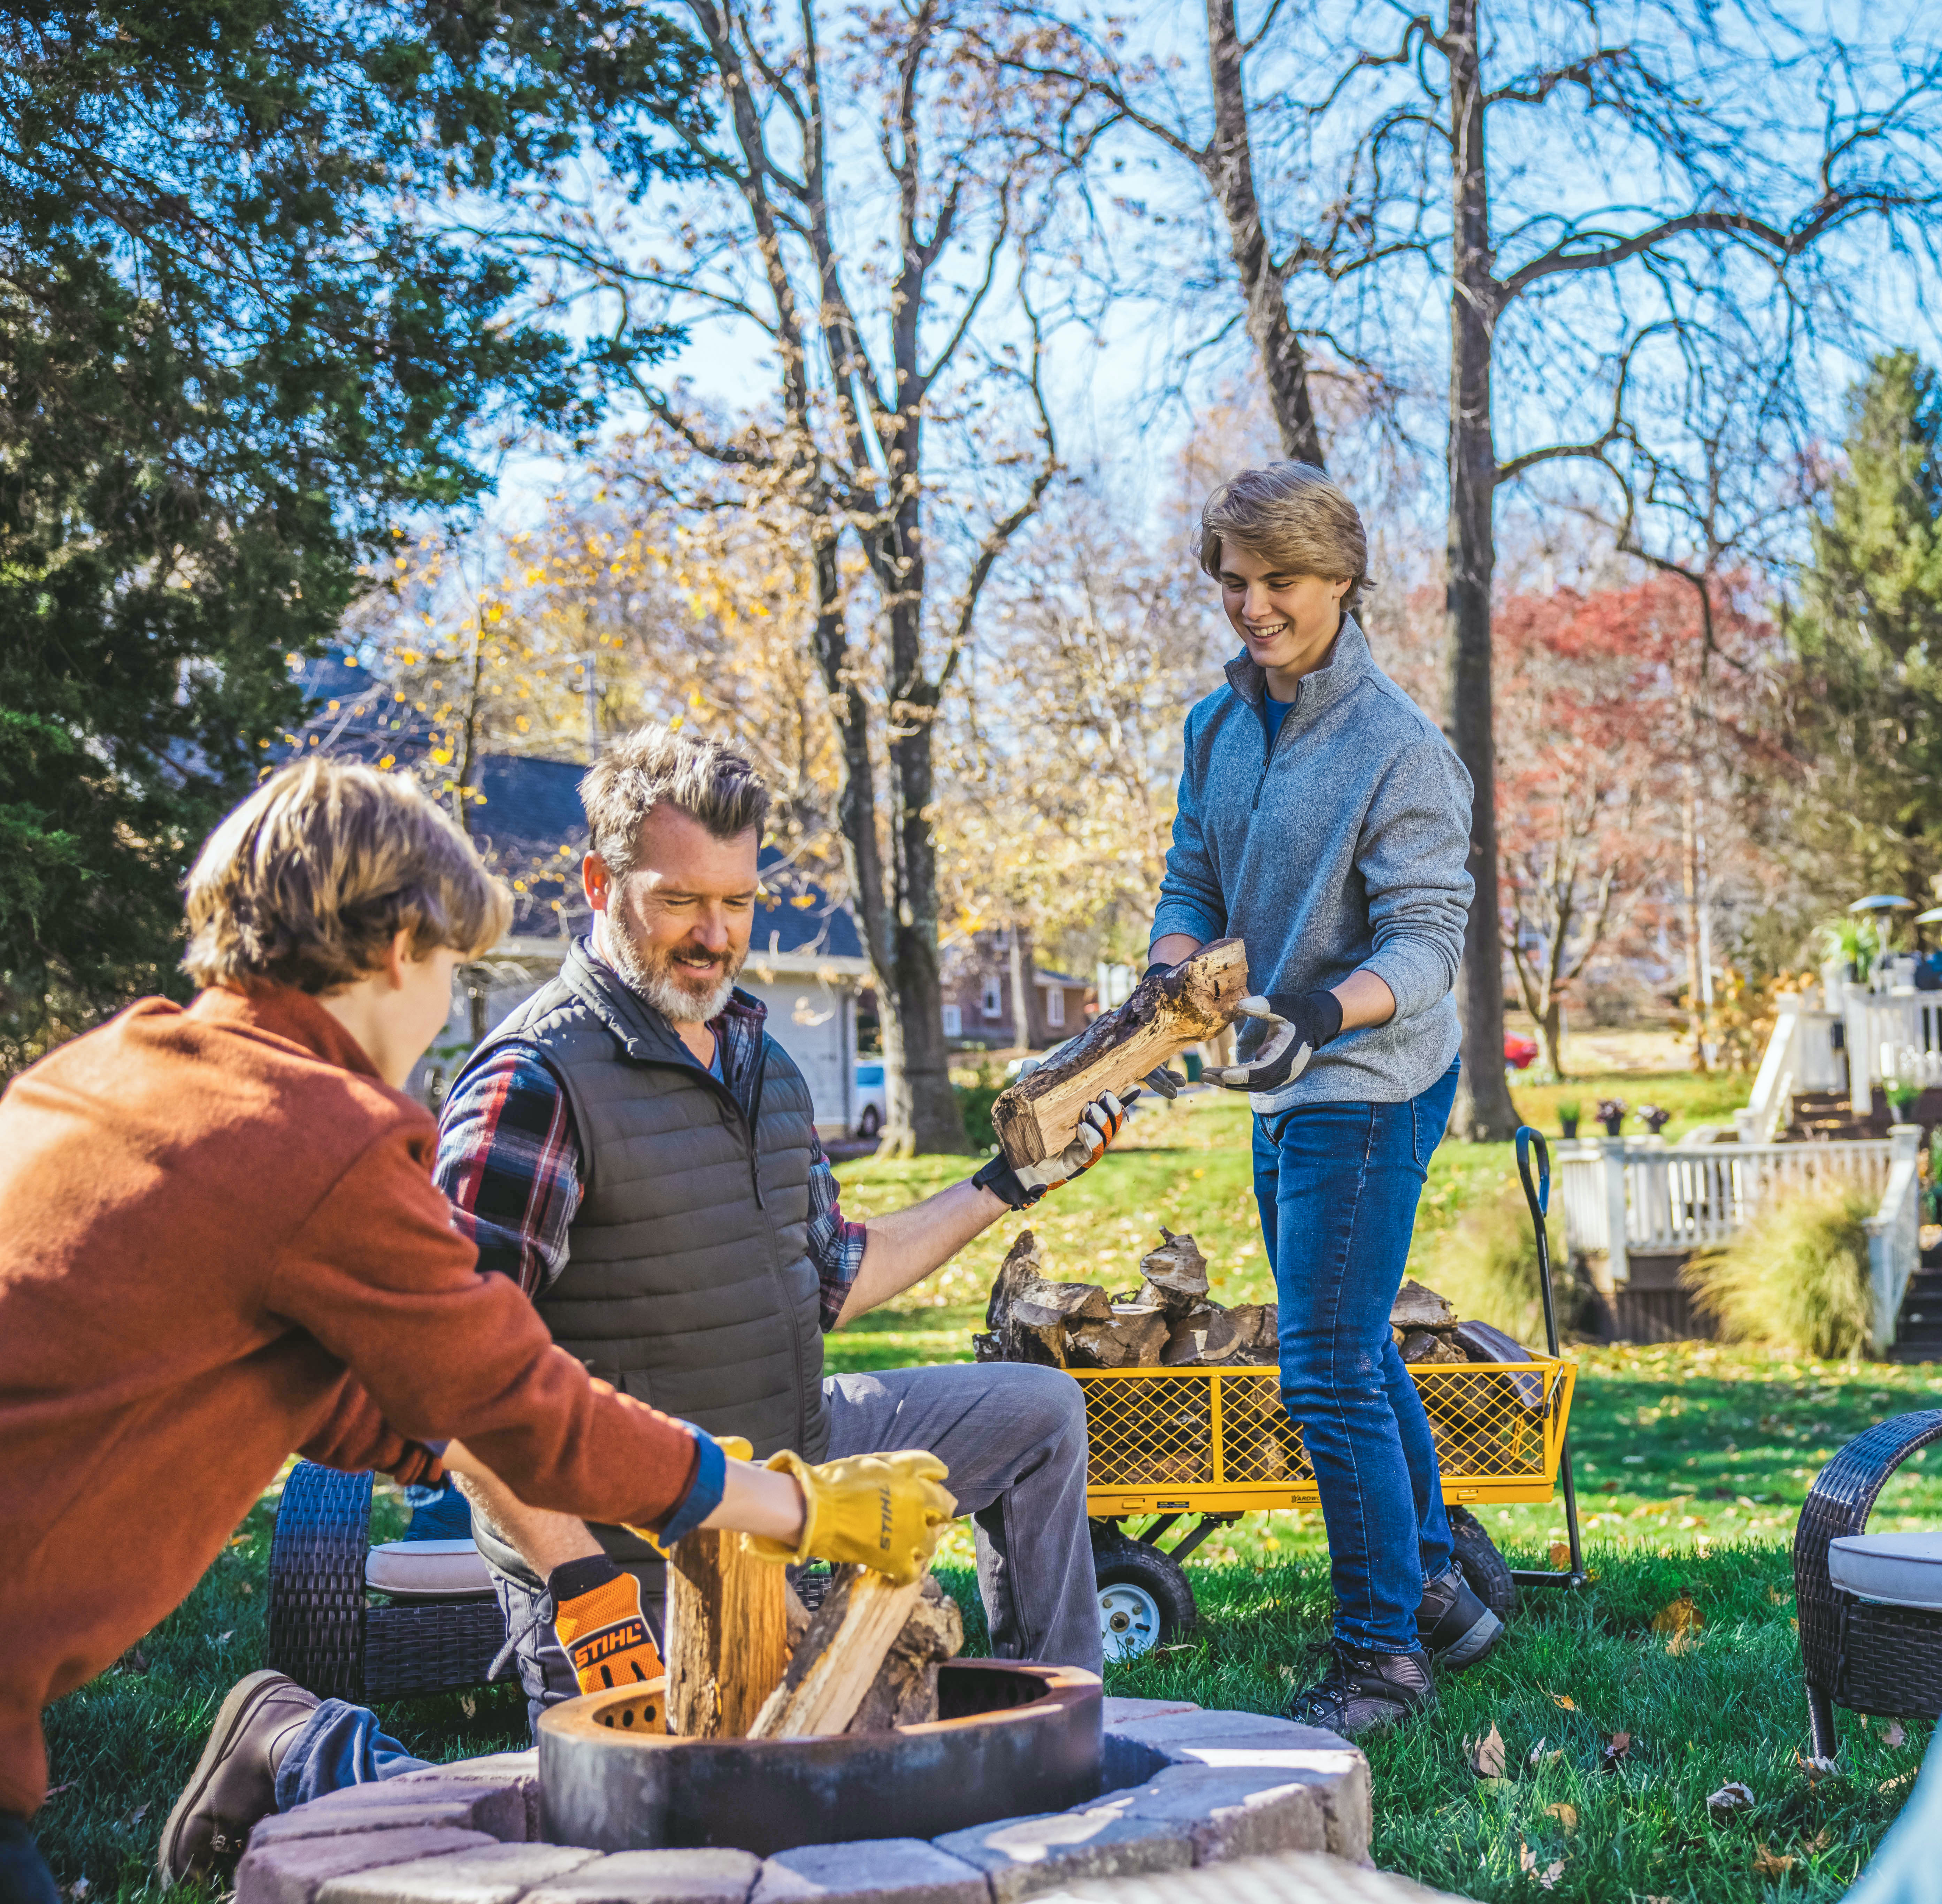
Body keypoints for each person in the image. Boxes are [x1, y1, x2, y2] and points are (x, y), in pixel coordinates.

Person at [159, 724, 1131, 1874]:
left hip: (794, 1458)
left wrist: (1005, 1183)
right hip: (627, 1534)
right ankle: (312, 1746)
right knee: (667, 1845)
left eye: (738, 901)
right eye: (679, 901)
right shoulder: (534, 1082)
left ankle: (1057, 1738)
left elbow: (838, 1276)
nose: (716, 936)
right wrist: (580, 1584)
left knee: (1034, 1414)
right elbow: (456, 1388)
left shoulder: (762, 1063)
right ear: (599, 886)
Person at [0, 760, 951, 1904]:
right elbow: (517, 1402)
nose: (447, 1008)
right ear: (401, 950)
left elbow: (367, 1397)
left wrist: (455, 1438)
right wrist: (802, 1508)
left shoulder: (112, 1068)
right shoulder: (321, 1136)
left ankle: (299, 1750)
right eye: (454, 970)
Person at [1145, 461, 1488, 1735]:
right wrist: (1167, 977)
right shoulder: (1217, 728)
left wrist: (1316, 1017)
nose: (1252, 605)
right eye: (1235, 582)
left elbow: (1425, 942)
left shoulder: (1402, 749)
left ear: (1341, 581)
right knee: (1347, 1341)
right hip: (1275, 1076)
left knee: (1325, 1367)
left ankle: (1380, 1656)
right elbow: (1193, 879)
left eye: (1278, 581)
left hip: (1372, 1071)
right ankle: (1439, 1592)